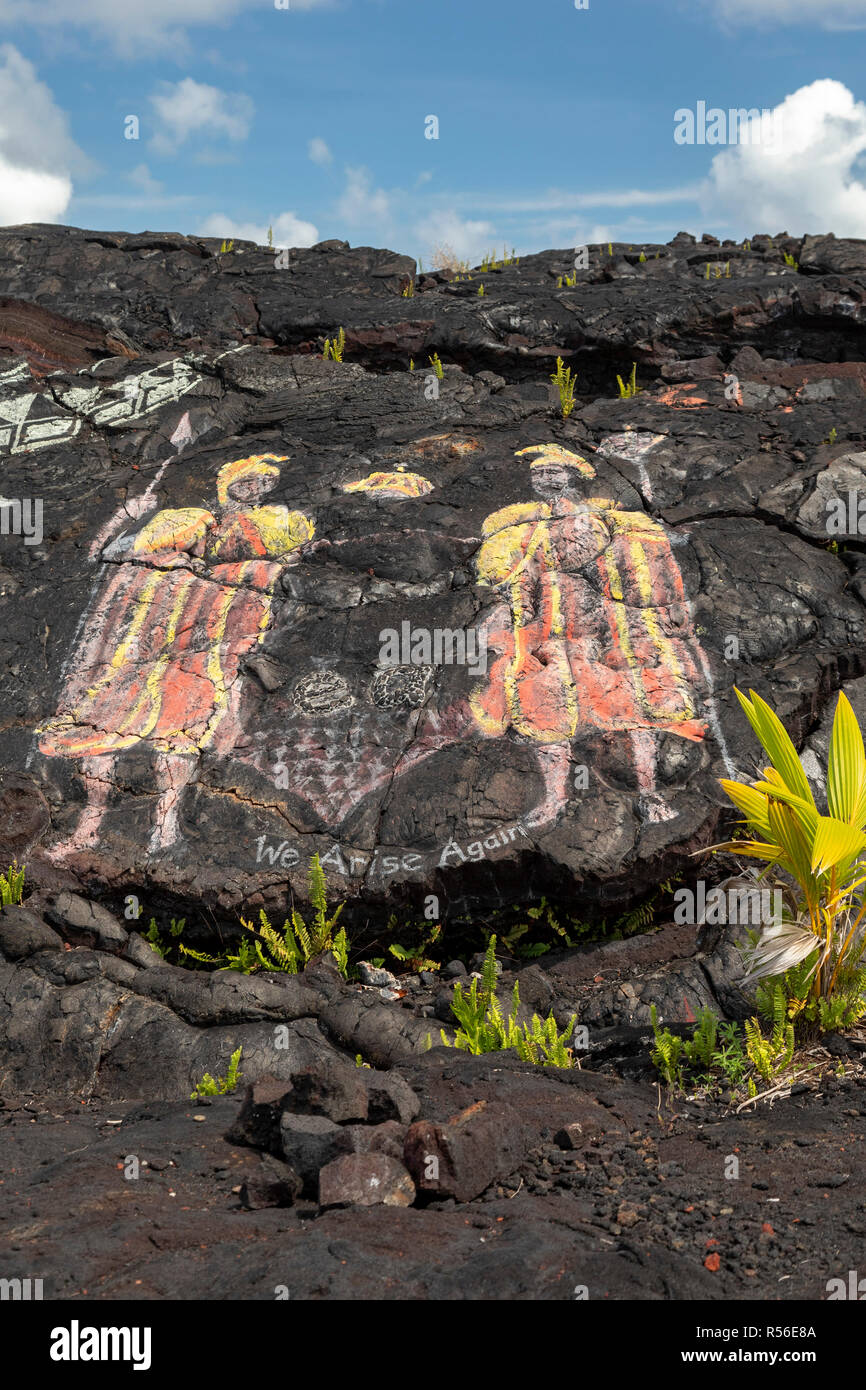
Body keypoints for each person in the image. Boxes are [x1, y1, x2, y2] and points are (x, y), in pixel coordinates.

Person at [38, 453, 314, 856]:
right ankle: (88, 828)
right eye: (246, 479)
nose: (253, 487)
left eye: (261, 482)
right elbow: (123, 552)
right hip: (152, 637)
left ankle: (164, 827)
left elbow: (280, 559)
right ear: (227, 484)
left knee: (183, 735)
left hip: (206, 644)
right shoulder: (188, 519)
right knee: (100, 729)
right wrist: (133, 520)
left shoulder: (273, 522)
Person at [470, 443, 708, 825]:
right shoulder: (522, 522)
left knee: (638, 707)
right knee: (542, 711)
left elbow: (655, 545)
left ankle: (649, 792)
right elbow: (511, 575)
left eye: (554, 472)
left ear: (572, 476)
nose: (546, 478)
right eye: (540, 473)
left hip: (606, 624)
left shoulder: (604, 515)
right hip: (552, 628)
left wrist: (641, 473)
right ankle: (555, 800)